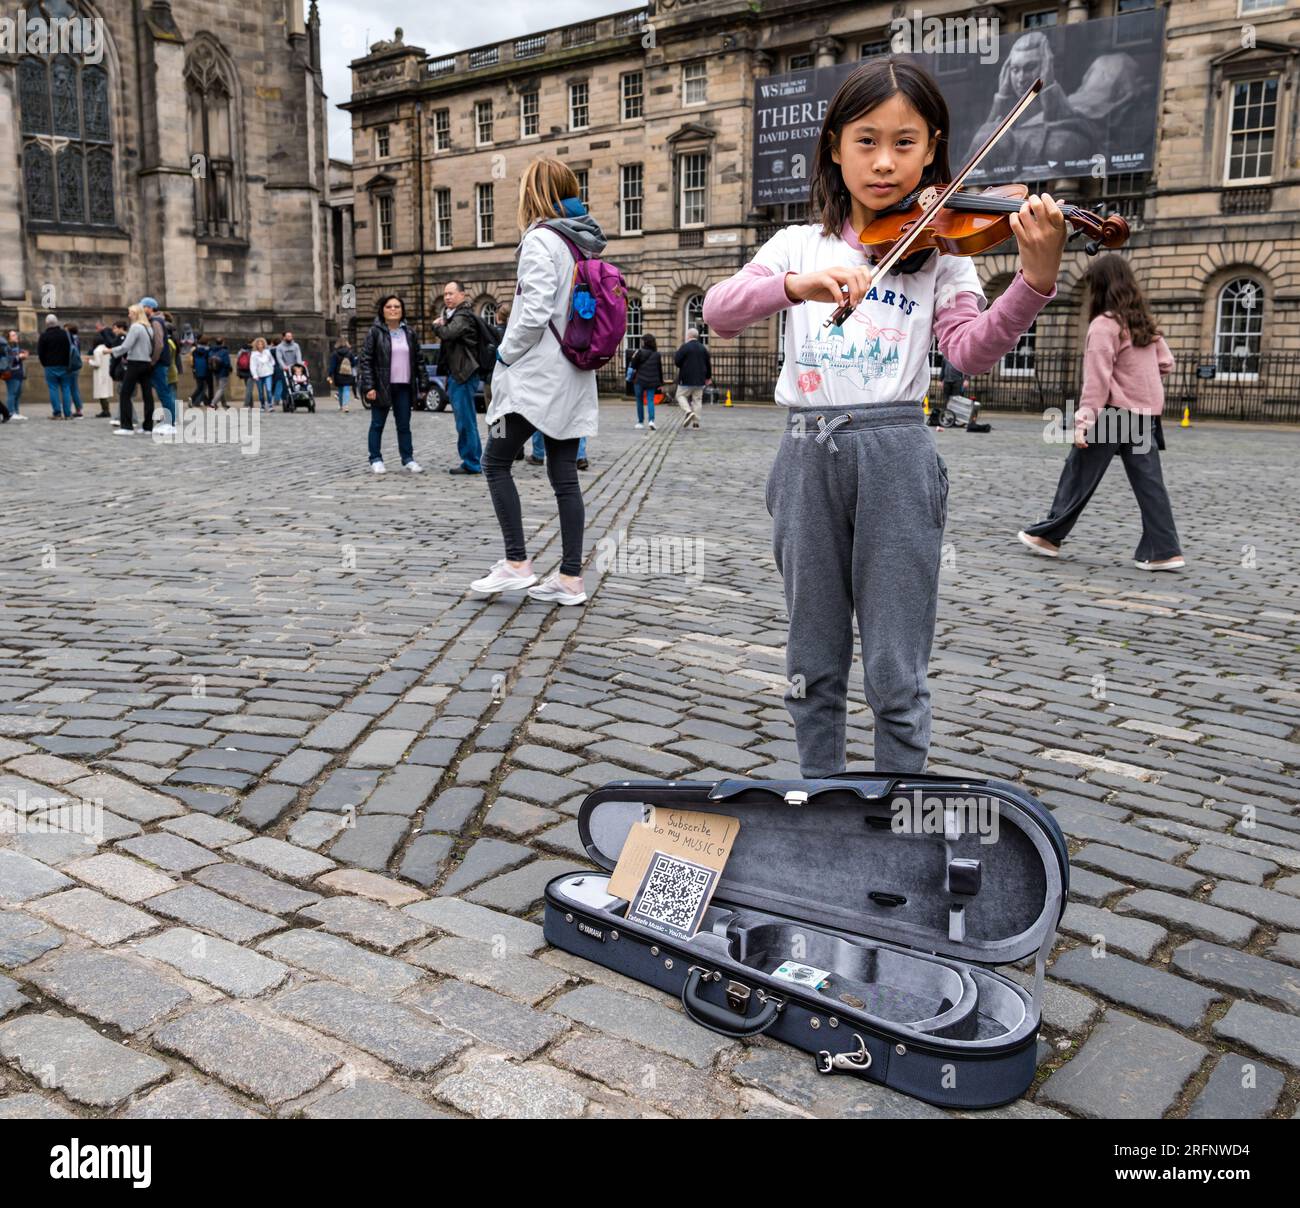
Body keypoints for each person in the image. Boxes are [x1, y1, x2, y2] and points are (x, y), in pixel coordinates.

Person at [702, 57, 1064, 777]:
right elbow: (718, 313)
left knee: (897, 666)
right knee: (812, 656)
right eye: (866, 140)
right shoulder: (797, 246)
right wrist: (794, 285)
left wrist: (1035, 280)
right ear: (834, 146)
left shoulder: (944, 256)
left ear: (934, 149)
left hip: (898, 450)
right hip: (806, 453)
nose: (885, 162)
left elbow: (970, 350)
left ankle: (898, 816)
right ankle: (822, 799)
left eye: (906, 142)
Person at [472, 156, 604, 606]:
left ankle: (516, 563)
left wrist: (504, 355)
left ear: (534, 194)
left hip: (535, 381)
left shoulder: (541, 240)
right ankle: (570, 579)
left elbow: (532, 313)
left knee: (495, 461)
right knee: (564, 473)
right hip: (572, 373)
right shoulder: (580, 242)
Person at [1018, 254, 1184, 572]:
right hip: (1144, 415)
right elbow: (1166, 363)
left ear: (1100, 287)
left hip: (1114, 415)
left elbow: (1097, 381)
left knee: (1078, 474)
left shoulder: (1104, 325)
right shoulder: (1143, 324)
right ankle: (1165, 550)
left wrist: (1083, 423)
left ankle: (1049, 537)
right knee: (1150, 484)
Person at [357, 294, 428, 474]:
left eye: (397, 306)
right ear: (382, 310)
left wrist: (424, 384)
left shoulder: (409, 333)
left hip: (404, 386)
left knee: (404, 425)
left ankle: (408, 458)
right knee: (377, 424)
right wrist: (369, 386)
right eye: (389, 307)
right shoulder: (375, 331)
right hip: (381, 385)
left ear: (402, 310)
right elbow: (366, 360)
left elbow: (419, 360)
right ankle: (375, 458)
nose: (393, 309)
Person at [433, 280, 483, 474]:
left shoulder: (463, 315)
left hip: (464, 373)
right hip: (457, 373)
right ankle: (472, 459)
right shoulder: (453, 315)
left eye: (451, 293)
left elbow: (449, 334)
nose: (447, 297)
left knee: (465, 421)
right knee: (464, 419)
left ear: (462, 295)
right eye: (445, 294)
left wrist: (436, 327)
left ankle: (472, 462)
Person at [109, 304, 156, 435]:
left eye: (130, 313)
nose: (128, 315)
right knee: (147, 396)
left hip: (135, 363)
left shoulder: (135, 327)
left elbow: (125, 346)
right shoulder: (148, 328)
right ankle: (148, 427)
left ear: (135, 314)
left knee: (125, 394)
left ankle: (127, 426)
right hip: (146, 363)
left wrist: (110, 351)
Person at [140, 298, 175, 433]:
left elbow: (159, 344)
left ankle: (170, 423)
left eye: (143, 307)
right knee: (163, 392)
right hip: (159, 362)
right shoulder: (156, 321)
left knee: (163, 392)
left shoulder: (156, 321)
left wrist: (153, 361)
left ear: (149, 308)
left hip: (159, 362)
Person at [37, 314, 74, 419]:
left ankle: (57, 413)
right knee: (66, 389)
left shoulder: (44, 336)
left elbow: (40, 352)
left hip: (50, 366)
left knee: (53, 389)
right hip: (65, 365)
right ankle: (68, 414)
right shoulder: (65, 334)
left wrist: (45, 364)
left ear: (46, 323)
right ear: (57, 322)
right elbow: (70, 350)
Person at [674, 327, 712, 430]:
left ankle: (688, 411)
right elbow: (708, 364)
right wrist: (708, 377)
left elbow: (677, 362)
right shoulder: (703, 348)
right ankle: (696, 423)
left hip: (686, 378)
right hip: (700, 379)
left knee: (680, 396)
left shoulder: (685, 347)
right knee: (697, 400)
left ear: (689, 336)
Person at [629, 334, 662, 430]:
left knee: (639, 401)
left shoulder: (639, 352)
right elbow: (659, 369)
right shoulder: (657, 354)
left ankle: (640, 422)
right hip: (652, 381)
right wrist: (660, 383)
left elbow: (633, 365)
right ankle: (651, 421)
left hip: (639, 380)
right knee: (650, 400)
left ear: (645, 342)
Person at [88, 328, 117, 418]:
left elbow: (97, 364)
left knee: (102, 393)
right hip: (107, 373)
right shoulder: (105, 349)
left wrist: (89, 361)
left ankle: (105, 411)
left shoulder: (97, 351)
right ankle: (106, 410)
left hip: (100, 374)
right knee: (105, 393)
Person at [2, 329, 30, 420]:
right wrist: (19, 356)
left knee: (18, 393)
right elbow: (8, 359)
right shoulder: (6, 346)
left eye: (16, 335)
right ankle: (11, 412)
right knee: (12, 393)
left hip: (19, 372)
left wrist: (24, 353)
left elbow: (19, 353)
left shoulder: (16, 345)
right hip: (11, 373)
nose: (16, 336)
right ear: (8, 338)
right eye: (13, 335)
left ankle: (16, 412)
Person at [273, 330, 301, 406]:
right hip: (285, 368)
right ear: (284, 337)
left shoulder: (296, 346)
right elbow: (279, 358)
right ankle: (285, 399)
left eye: (290, 336)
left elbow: (298, 356)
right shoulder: (279, 347)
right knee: (285, 385)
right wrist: (284, 366)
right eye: (288, 336)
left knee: (297, 382)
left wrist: (299, 364)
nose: (289, 338)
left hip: (294, 368)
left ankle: (297, 397)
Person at [328, 337, 355, 412]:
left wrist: (330, 375)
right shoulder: (350, 353)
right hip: (347, 373)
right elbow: (353, 364)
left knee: (340, 390)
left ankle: (341, 406)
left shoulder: (335, 353)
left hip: (338, 374)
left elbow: (332, 365)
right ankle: (345, 406)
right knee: (346, 389)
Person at [65, 323, 85, 417]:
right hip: (76, 365)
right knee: (74, 388)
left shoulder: (70, 339)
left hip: (71, 365)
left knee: (69, 388)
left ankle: (73, 410)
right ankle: (78, 409)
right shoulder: (77, 339)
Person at [250, 338, 275, 409]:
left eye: (261, 344)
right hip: (259, 375)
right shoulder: (254, 354)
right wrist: (254, 375)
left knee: (269, 389)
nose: (260, 345)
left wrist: (271, 368)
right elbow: (252, 365)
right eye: (258, 344)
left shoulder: (267, 352)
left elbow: (272, 361)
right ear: (256, 345)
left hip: (268, 373)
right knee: (261, 392)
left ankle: (270, 404)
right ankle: (262, 405)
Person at [189, 333, 212, 407]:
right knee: (206, 387)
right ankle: (196, 399)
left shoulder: (194, 350)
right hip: (206, 370)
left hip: (197, 370)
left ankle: (195, 399)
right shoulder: (208, 351)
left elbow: (192, 360)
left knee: (200, 386)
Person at [209, 337, 232, 409]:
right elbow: (227, 363)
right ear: (223, 342)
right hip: (223, 372)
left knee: (220, 388)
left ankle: (224, 403)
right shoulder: (224, 351)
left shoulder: (212, 351)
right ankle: (213, 403)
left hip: (215, 371)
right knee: (221, 389)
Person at [236, 342, 255, 407]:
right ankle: (246, 404)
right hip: (251, 372)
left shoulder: (240, 353)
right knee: (249, 389)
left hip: (243, 372)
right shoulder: (251, 353)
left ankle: (251, 404)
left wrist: (238, 372)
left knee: (248, 388)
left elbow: (237, 363)